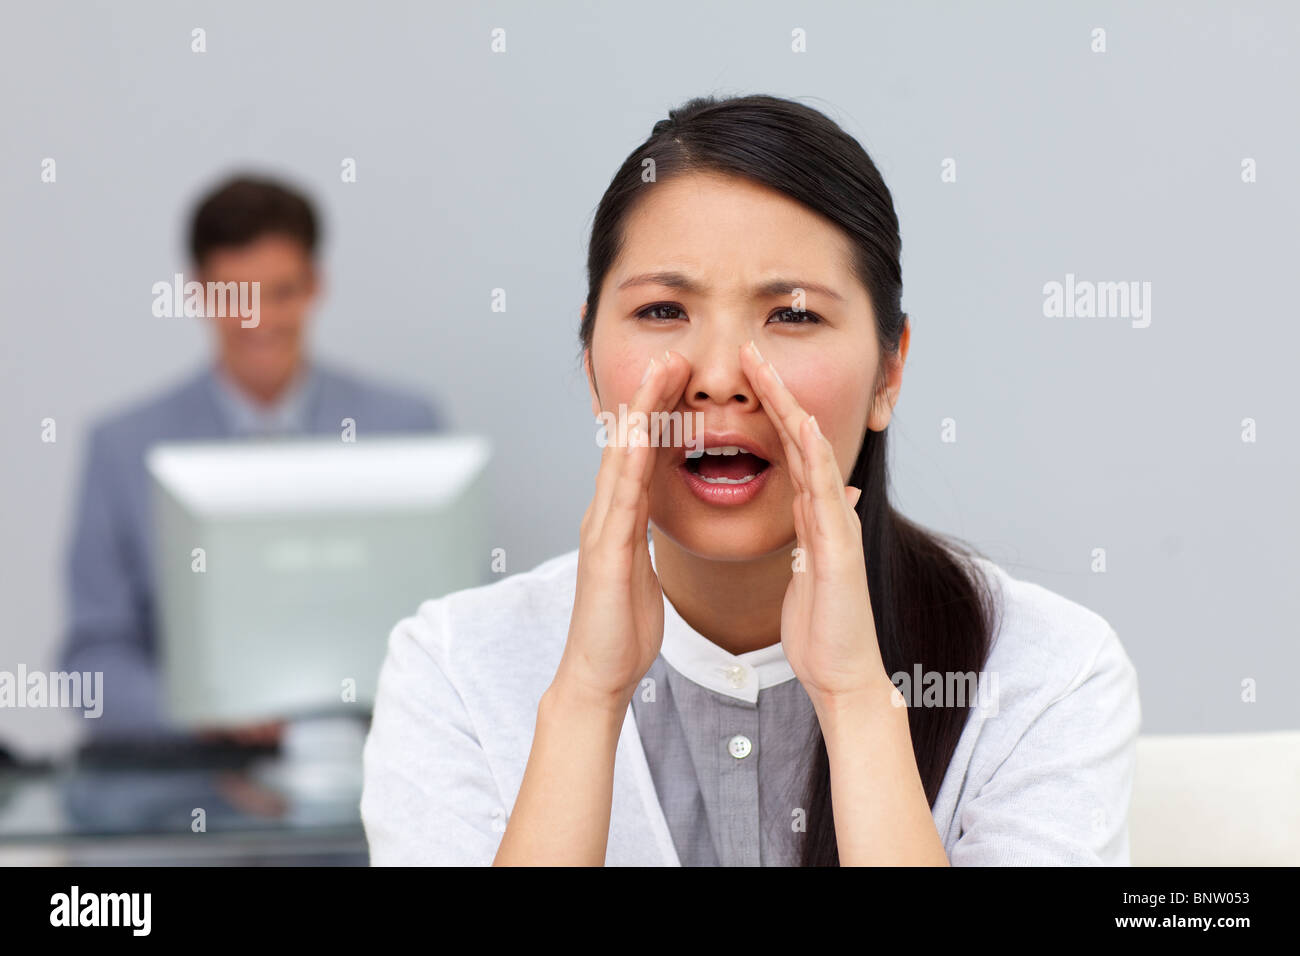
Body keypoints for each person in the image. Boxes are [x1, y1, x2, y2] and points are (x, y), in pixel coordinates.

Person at [360, 94, 1141, 866]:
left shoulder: (1047, 674)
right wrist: (586, 702)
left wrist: (857, 703)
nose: (722, 378)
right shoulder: (453, 668)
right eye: (664, 310)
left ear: (888, 372)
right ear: (592, 364)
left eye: (793, 315)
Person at [60, 174, 445, 744]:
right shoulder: (122, 450)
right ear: (197, 293)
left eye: (282, 292)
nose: (258, 320)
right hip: (186, 797)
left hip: (372, 771)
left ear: (316, 286)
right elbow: (91, 664)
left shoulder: (406, 428)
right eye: (233, 295)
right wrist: (203, 714)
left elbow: (456, 632)